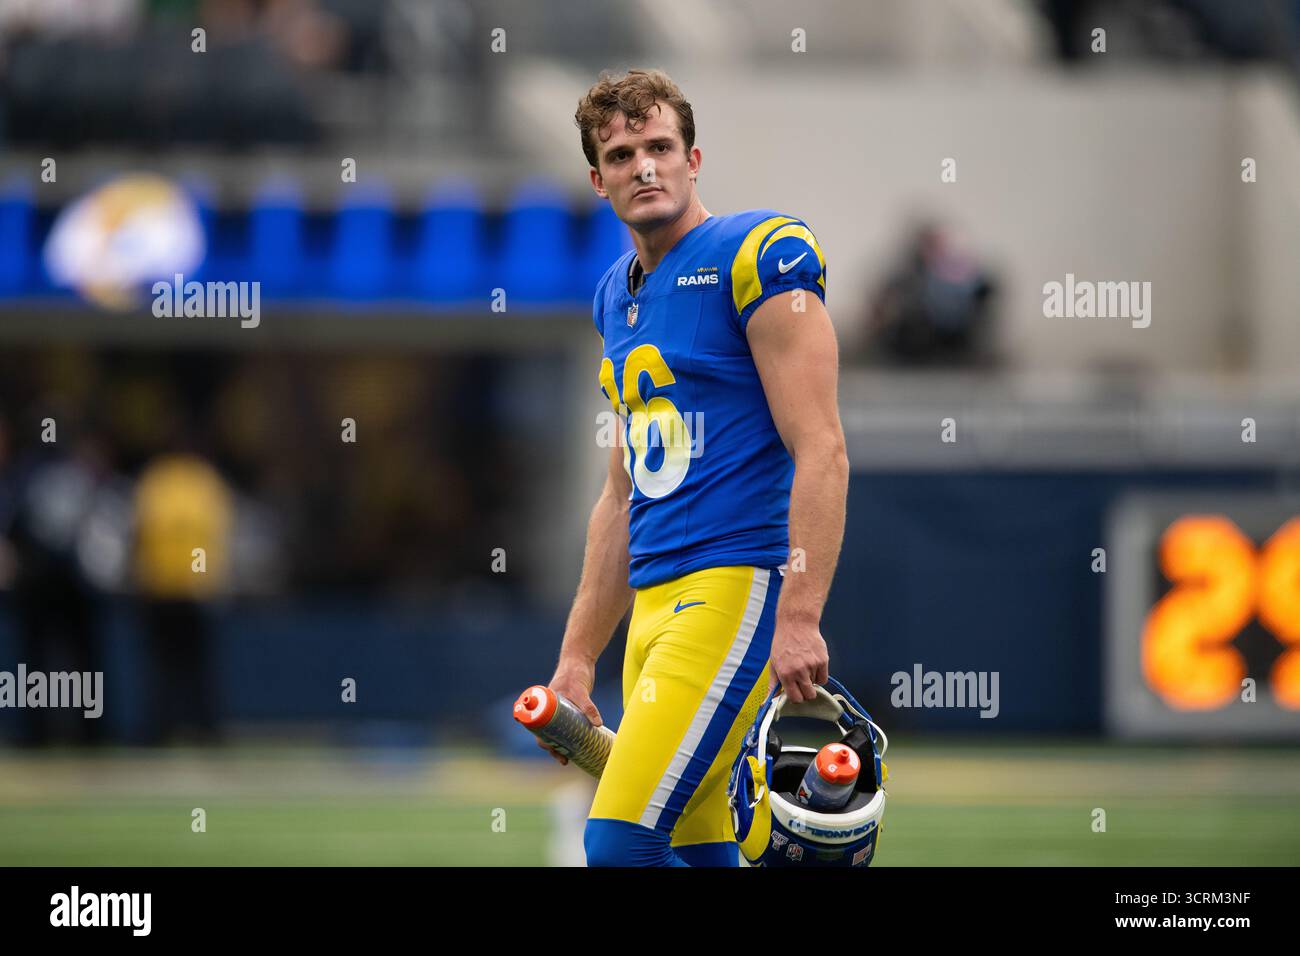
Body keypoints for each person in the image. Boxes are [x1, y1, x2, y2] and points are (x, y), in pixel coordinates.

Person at [543, 69, 849, 866]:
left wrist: (801, 612)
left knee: (618, 841)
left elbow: (822, 447)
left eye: (659, 147)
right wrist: (579, 655)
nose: (642, 166)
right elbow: (619, 497)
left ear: (693, 158)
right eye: (620, 154)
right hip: (653, 601)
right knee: (698, 843)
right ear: (597, 179)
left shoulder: (758, 251)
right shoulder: (615, 294)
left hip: (733, 586)